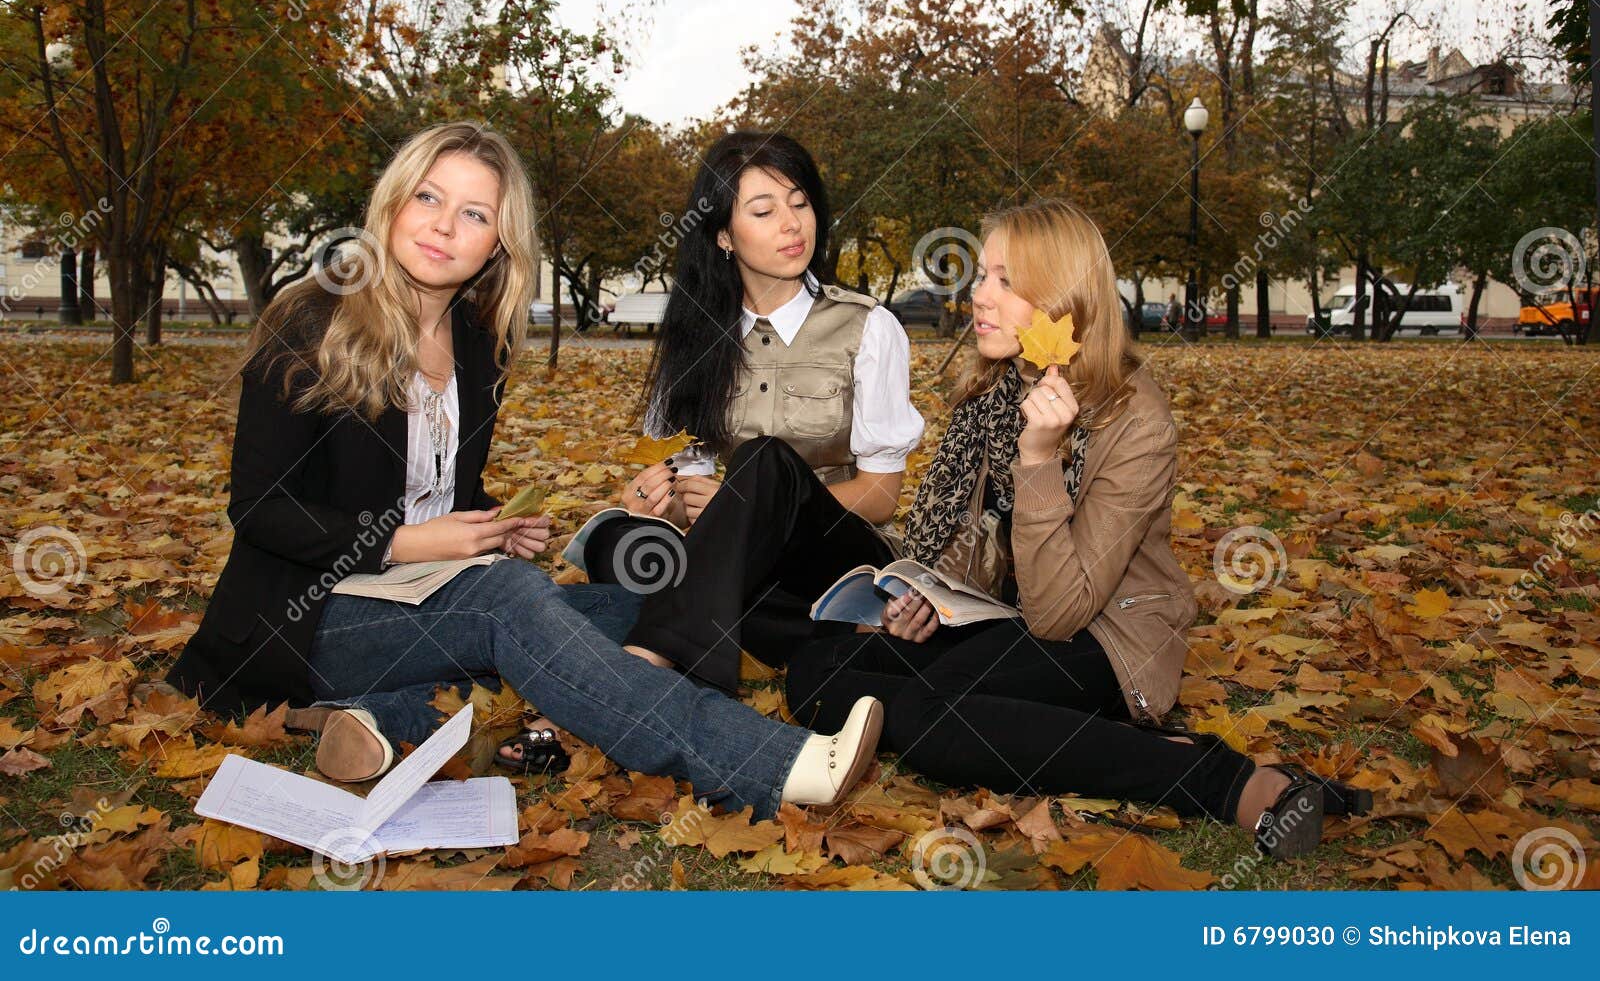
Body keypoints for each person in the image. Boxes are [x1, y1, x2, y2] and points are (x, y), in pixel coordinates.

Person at [166, 122, 882, 819]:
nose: (444, 225)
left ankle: (384, 715)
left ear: (497, 243)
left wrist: (487, 527)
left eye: (473, 213)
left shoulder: (476, 343)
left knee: (644, 612)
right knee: (510, 604)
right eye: (428, 198)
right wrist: (413, 543)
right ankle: (775, 763)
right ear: (391, 202)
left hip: (424, 599)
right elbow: (260, 509)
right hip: (310, 618)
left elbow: (436, 489)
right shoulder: (311, 319)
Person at [784, 199, 1366, 857]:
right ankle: (1040, 727)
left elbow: (1061, 612)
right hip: (1000, 621)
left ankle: (1224, 779)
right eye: (981, 276)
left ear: (1062, 299)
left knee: (928, 714)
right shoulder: (993, 391)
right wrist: (926, 598)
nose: (980, 295)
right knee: (816, 668)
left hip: (1103, 632)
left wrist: (1038, 459)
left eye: (1006, 280)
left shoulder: (1135, 420)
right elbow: (966, 555)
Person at [589, 131, 923, 692]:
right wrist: (659, 508)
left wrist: (749, 507)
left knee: (763, 463)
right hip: (752, 578)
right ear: (724, 235)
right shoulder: (694, 341)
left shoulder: (867, 327)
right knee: (613, 548)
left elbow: (881, 496)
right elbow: (687, 491)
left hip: (841, 557)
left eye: (800, 202)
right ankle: (817, 639)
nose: (792, 224)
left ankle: (641, 673)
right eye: (764, 211)